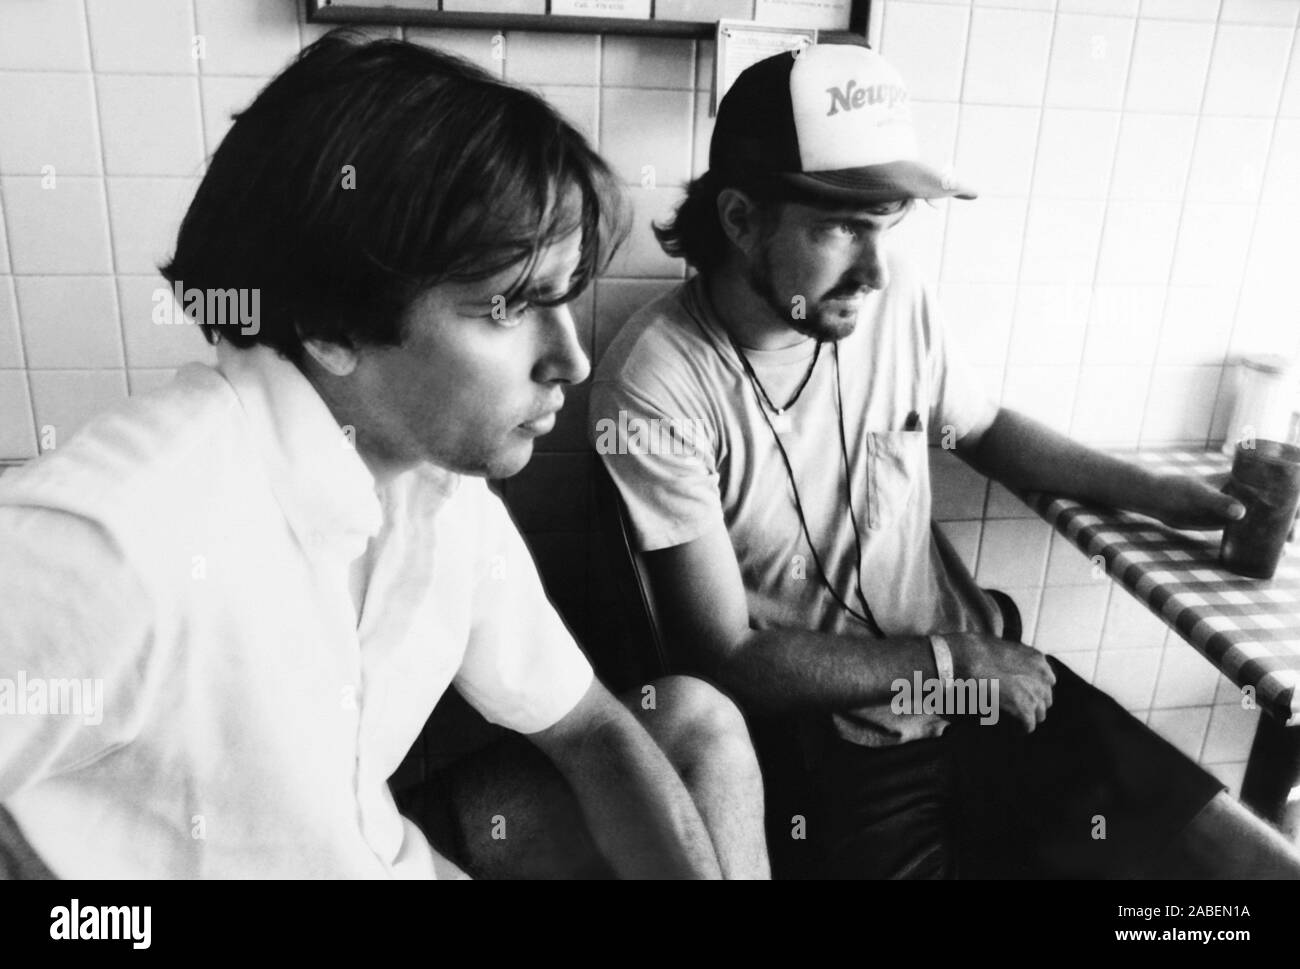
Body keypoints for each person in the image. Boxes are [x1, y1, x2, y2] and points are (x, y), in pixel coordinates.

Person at [0, 33, 769, 880]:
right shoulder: (128, 529)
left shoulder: (434, 484)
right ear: (333, 324)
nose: (572, 361)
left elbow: (586, 730)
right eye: (509, 308)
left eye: (565, 299)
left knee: (693, 722)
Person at [590, 43, 1300, 879]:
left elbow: (985, 429)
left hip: (989, 695)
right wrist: (949, 662)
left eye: (887, 223)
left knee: (1253, 866)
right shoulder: (655, 384)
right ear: (740, 218)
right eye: (840, 226)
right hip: (840, 747)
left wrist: (1156, 493)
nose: (876, 268)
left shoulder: (890, 303)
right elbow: (727, 658)